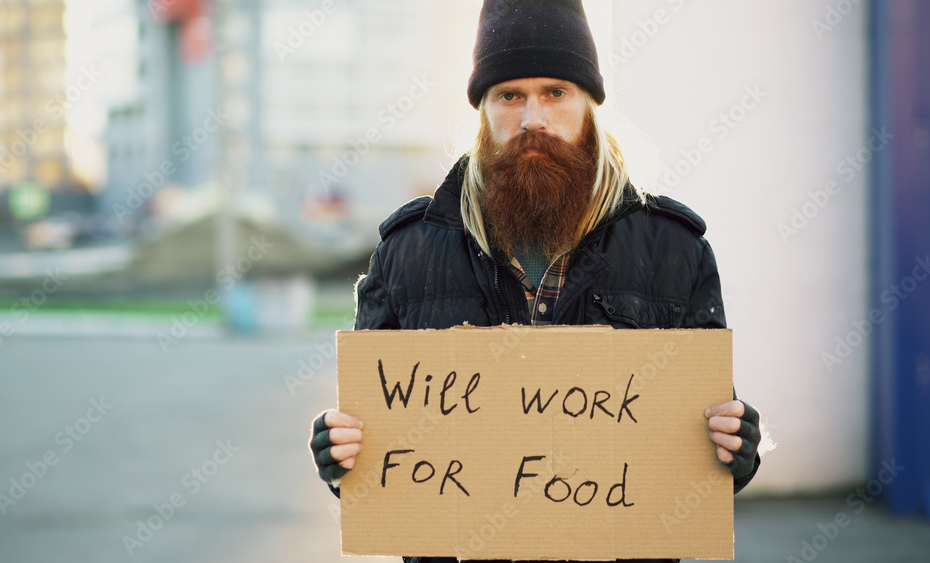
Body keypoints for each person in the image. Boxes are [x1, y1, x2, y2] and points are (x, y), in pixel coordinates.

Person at [308, 1, 761, 562]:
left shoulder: (674, 250)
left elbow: (705, 452)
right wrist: (339, 455)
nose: (532, 120)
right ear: (483, 112)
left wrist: (737, 447)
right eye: (509, 96)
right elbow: (377, 457)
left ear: (589, 106)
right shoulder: (407, 253)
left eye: (555, 92)